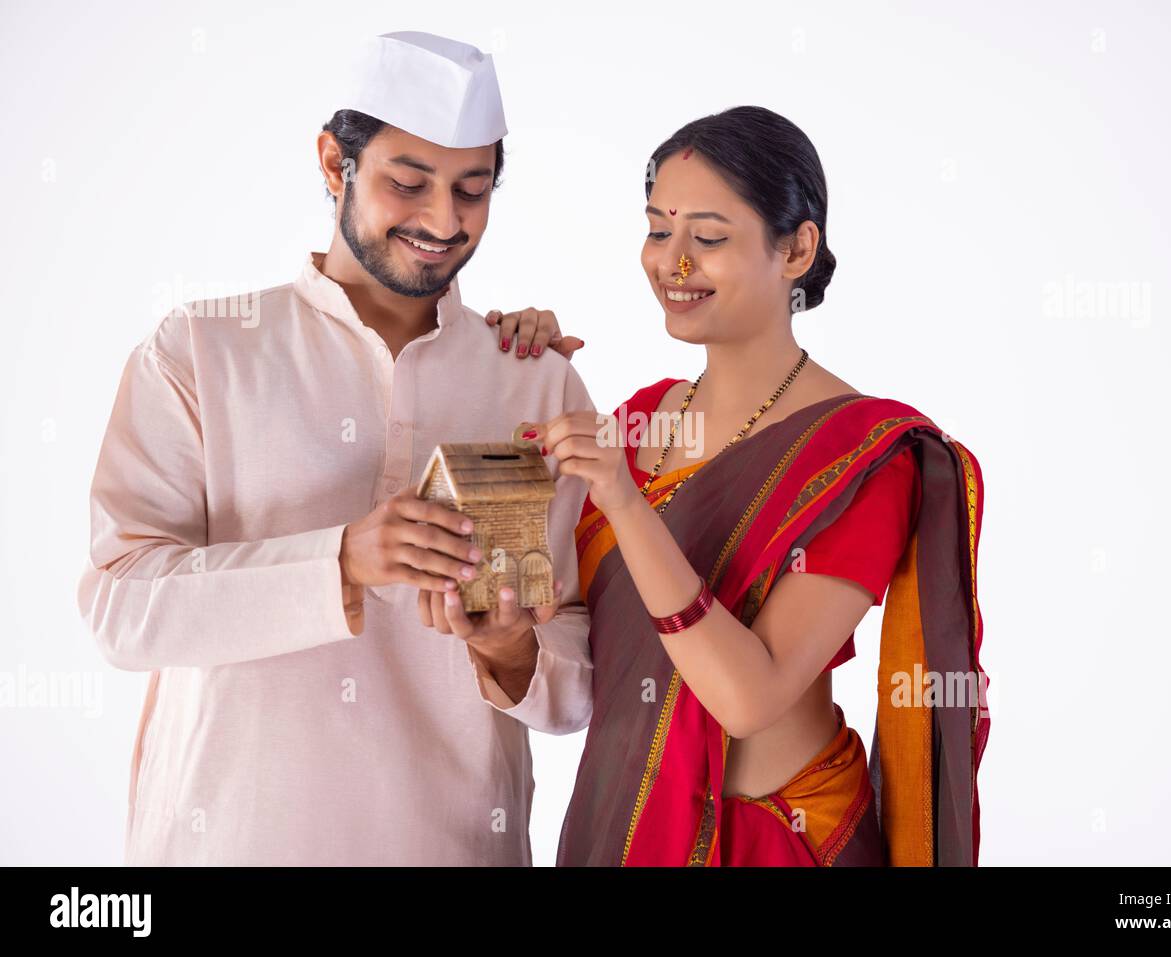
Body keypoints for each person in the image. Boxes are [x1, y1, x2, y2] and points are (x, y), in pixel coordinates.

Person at [77, 31, 596, 865]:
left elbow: (581, 678)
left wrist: (508, 648)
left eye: (472, 190)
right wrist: (340, 561)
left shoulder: (535, 384)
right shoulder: (202, 352)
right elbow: (121, 609)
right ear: (333, 164)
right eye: (408, 182)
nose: (442, 220)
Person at [526, 105, 990, 865]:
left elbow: (750, 693)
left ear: (798, 249)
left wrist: (623, 501)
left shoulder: (862, 455)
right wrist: (518, 364)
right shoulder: (640, 421)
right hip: (624, 825)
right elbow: (574, 639)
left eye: (708, 238)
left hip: (776, 841)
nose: (673, 264)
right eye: (657, 229)